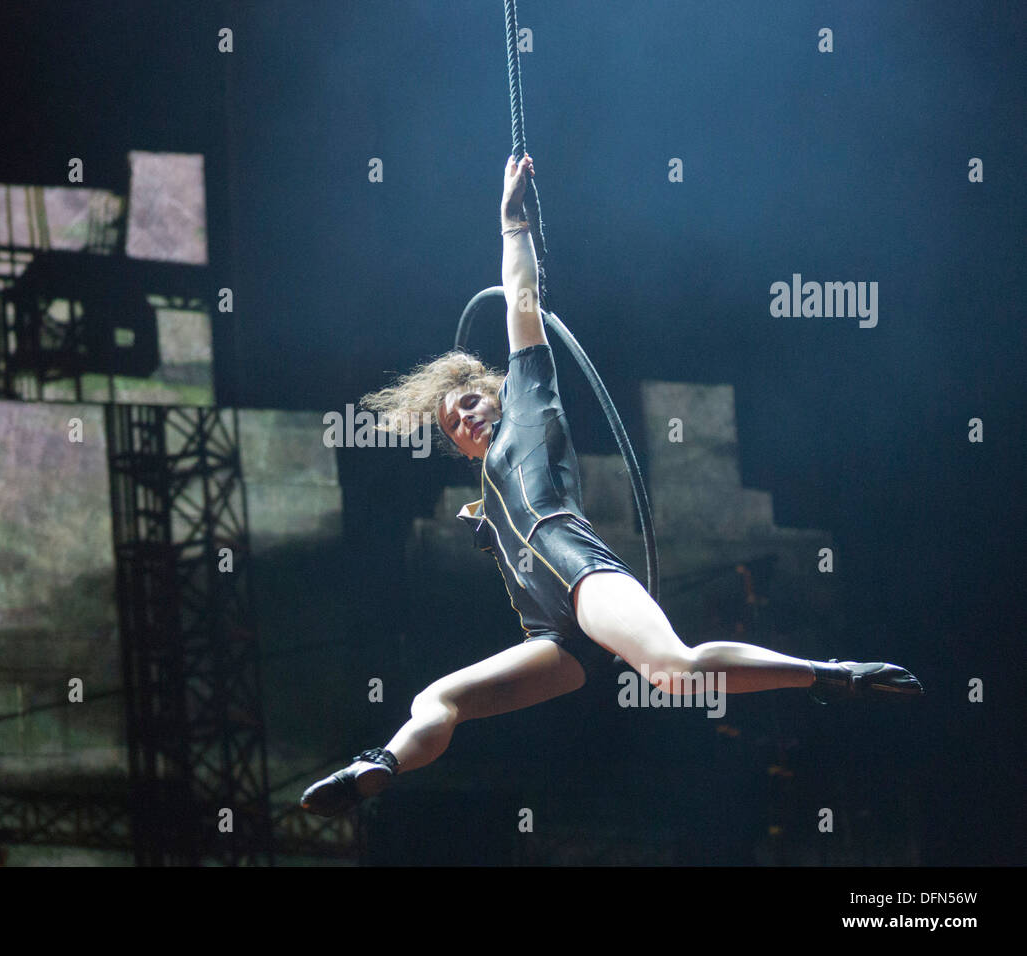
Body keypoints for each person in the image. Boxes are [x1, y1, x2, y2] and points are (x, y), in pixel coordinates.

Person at [299, 153, 923, 818]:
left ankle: (832, 675)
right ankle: (380, 763)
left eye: (474, 403)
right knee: (439, 699)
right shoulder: (485, 490)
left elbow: (521, 299)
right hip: (551, 636)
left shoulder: (530, 407)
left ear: (498, 396)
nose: (470, 417)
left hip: (580, 575)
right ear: (452, 443)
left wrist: (513, 224)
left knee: (672, 672)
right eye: (456, 420)